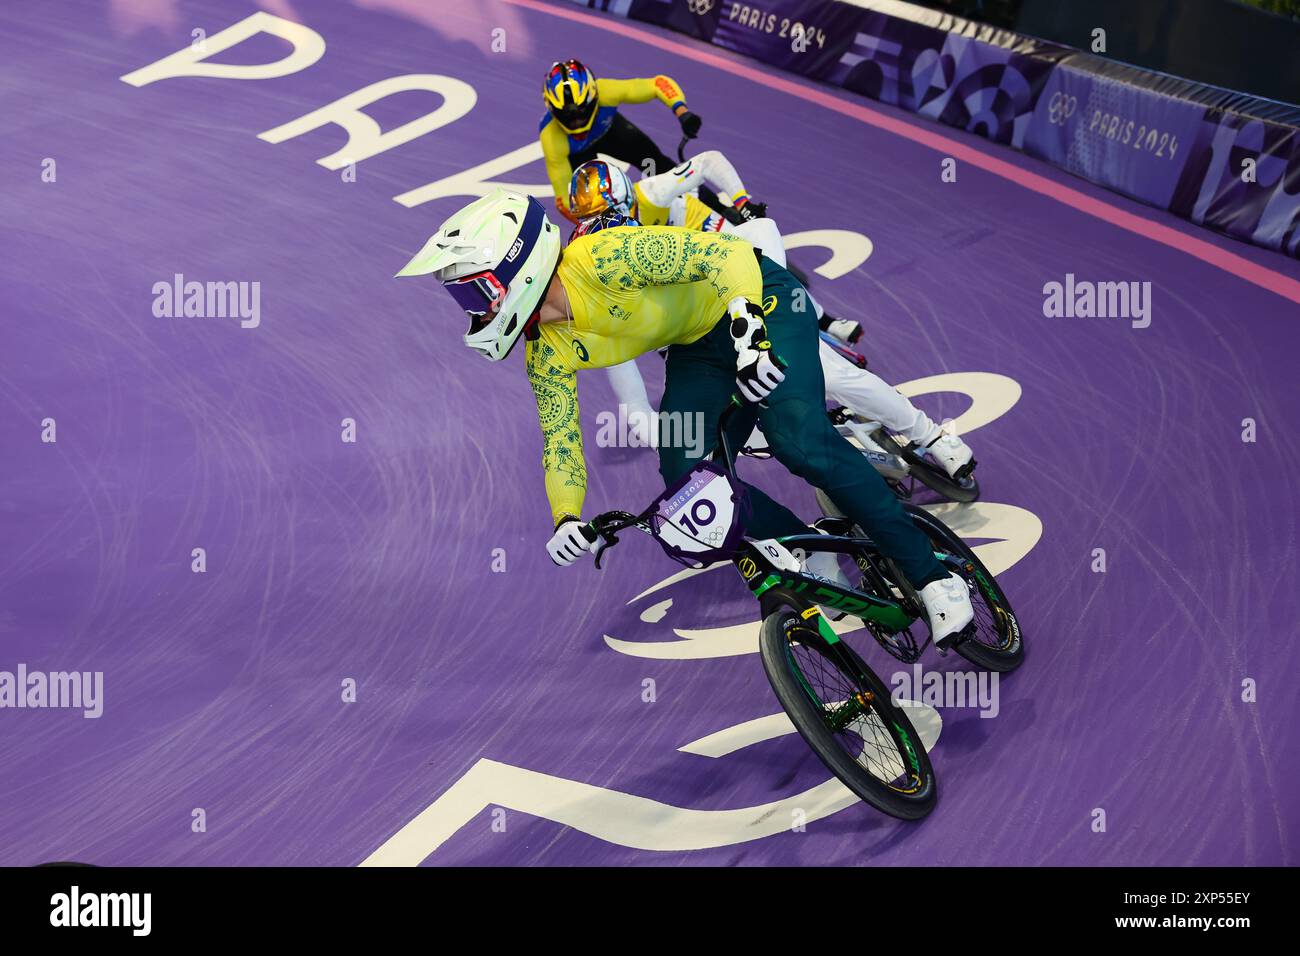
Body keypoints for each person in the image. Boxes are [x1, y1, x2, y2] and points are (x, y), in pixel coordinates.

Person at [395, 189, 975, 645]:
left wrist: (749, 333)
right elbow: (561, 443)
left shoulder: (602, 257)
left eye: (476, 295)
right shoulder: (544, 348)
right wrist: (566, 518)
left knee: (798, 439)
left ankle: (934, 578)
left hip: (761, 302)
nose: (473, 312)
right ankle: (806, 549)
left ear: (517, 268)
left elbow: (726, 256)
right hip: (700, 351)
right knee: (686, 483)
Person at [569, 159, 976, 479]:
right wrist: (669, 441)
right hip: (706, 364)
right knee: (752, 442)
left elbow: (762, 229)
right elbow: (637, 412)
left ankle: (932, 437)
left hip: (747, 316)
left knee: (832, 374)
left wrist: (769, 311)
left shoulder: (669, 238)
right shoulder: (607, 313)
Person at [539, 59, 721, 224]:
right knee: (590, 203)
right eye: (568, 117)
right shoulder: (551, 138)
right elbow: (564, 202)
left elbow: (657, 84)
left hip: (610, 132)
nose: (577, 123)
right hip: (579, 154)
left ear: (594, 97)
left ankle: (719, 208)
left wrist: (681, 111)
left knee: (658, 165)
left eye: (582, 113)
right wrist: (597, 228)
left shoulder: (606, 91)